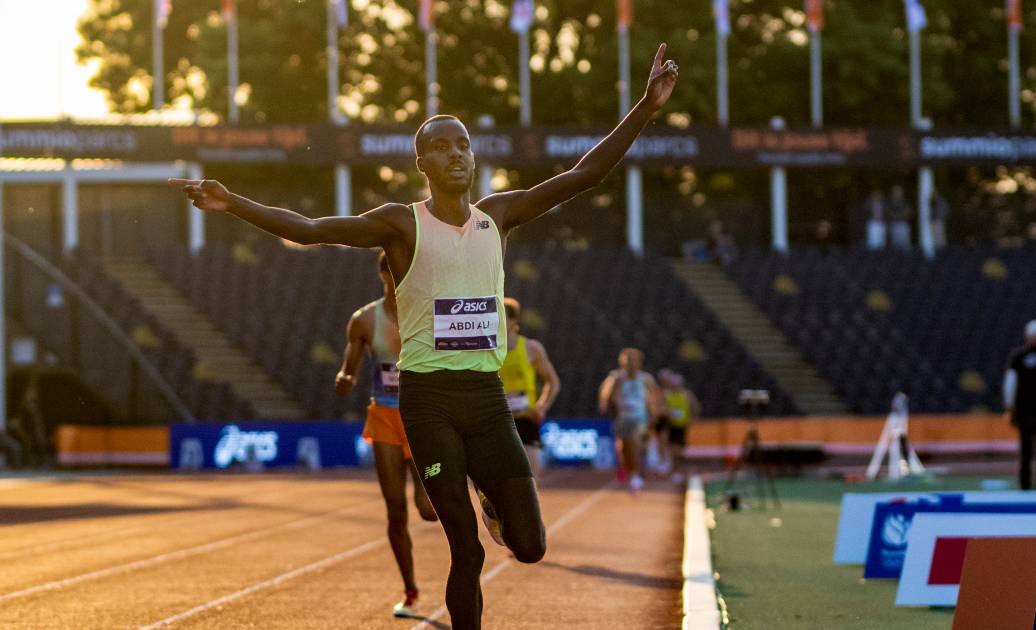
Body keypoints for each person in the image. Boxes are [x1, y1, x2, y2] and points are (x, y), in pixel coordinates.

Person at [169, 43, 678, 629]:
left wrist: (644, 107)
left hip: (486, 400)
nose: (456, 153)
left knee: (532, 546)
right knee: (467, 550)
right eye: (441, 146)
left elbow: (585, 174)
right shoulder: (401, 224)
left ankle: (493, 498)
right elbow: (310, 230)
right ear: (423, 165)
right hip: (428, 400)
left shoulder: (499, 217)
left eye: (463, 143)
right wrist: (232, 204)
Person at [336, 252, 438, 618]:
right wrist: (344, 380)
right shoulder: (364, 320)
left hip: (423, 417)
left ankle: (474, 502)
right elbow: (348, 368)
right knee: (396, 511)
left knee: (428, 510)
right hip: (384, 417)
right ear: (382, 273)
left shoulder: (427, 311)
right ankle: (410, 590)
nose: (401, 275)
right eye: (393, 269)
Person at [498, 297, 561, 482]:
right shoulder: (488, 349)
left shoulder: (531, 348)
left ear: (513, 321)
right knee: (499, 484)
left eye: (502, 317)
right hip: (497, 421)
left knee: (532, 481)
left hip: (525, 420)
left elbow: (553, 381)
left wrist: (542, 405)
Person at [598, 348, 664, 492]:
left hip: (640, 417)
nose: (631, 365)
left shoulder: (645, 379)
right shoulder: (616, 378)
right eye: (628, 361)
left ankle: (636, 475)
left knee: (635, 442)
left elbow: (657, 397)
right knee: (623, 447)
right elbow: (606, 395)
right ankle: (631, 471)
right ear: (622, 363)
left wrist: (655, 412)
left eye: (634, 361)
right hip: (623, 418)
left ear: (639, 363)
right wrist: (605, 404)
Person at [1004, 320, 1036, 490]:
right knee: (1026, 451)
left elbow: (1010, 384)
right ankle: (1027, 486)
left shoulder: (1018, 356)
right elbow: (1011, 383)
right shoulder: (1018, 357)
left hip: (1026, 411)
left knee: (1027, 451)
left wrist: (1009, 406)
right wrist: (1010, 406)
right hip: (1026, 411)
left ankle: (1026, 487)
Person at [658, 369, 700, 482]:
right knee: (672, 449)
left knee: (680, 451)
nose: (675, 386)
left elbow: (695, 406)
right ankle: (673, 470)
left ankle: (677, 470)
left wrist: (693, 418)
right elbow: (661, 408)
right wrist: (667, 413)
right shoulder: (667, 395)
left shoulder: (686, 395)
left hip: (682, 426)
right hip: (671, 426)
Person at [888, 185, 912, 251]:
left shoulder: (905, 202)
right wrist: (899, 215)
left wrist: (899, 215)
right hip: (894, 225)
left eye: (899, 191)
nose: (897, 193)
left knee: (905, 246)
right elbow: (889, 213)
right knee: (895, 246)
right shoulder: (890, 202)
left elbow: (909, 212)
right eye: (896, 191)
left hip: (903, 225)